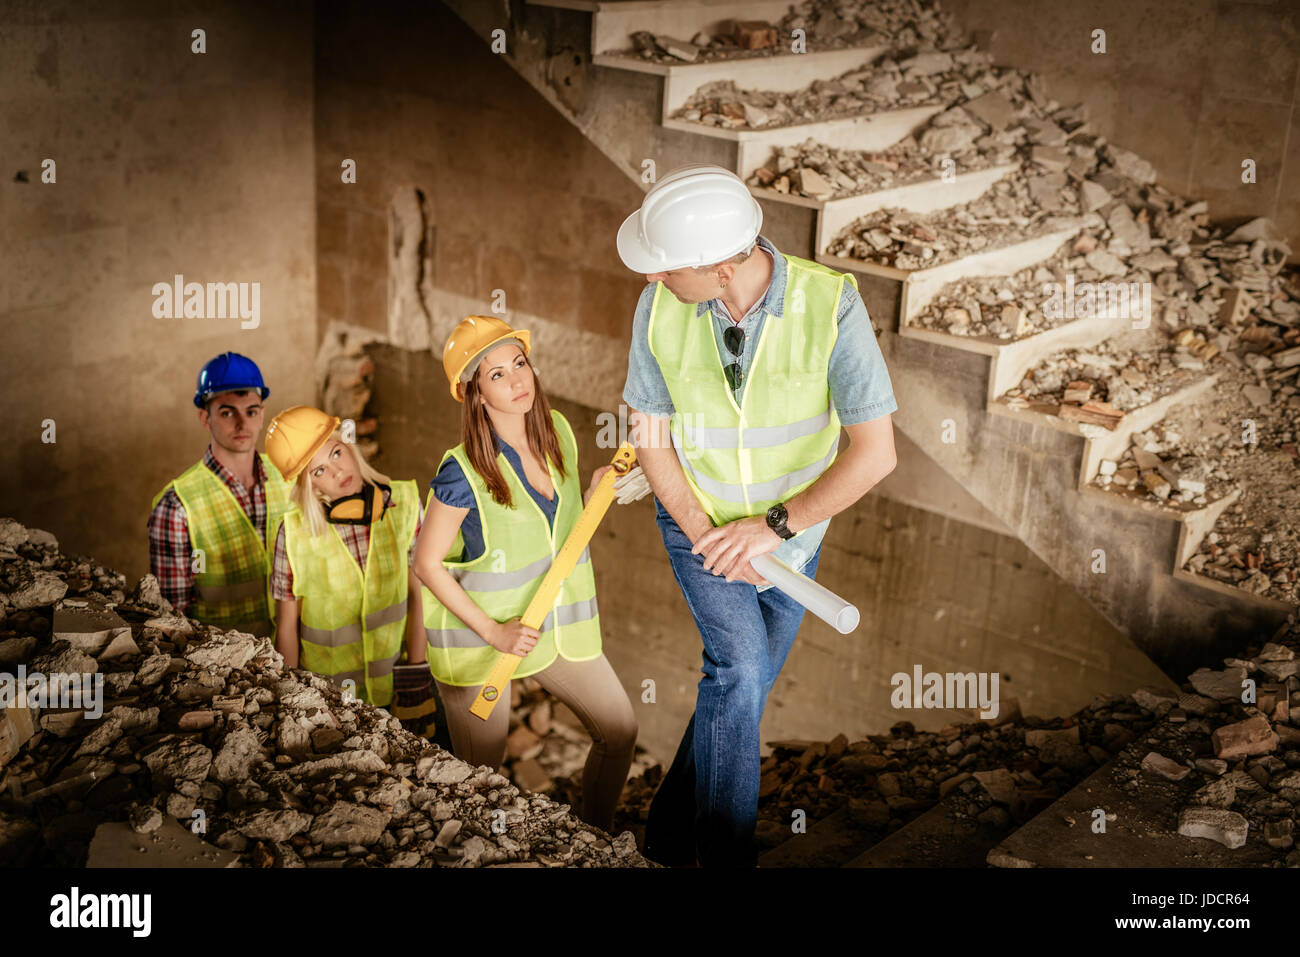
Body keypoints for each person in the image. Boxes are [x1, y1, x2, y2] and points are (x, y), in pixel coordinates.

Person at [616, 164, 900, 867]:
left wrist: (771, 529)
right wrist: (707, 532)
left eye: (665, 268)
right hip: (698, 523)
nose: (652, 280)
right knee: (738, 670)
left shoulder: (830, 305)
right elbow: (650, 436)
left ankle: (667, 833)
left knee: (741, 688)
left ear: (720, 269)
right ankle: (720, 856)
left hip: (791, 542)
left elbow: (875, 454)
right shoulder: (658, 310)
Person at [413, 315, 644, 833]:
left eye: (519, 363)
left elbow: (553, 533)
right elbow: (425, 564)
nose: (517, 380)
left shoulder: (557, 431)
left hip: (552, 628)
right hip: (482, 647)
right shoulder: (461, 472)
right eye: (496, 374)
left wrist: (592, 496)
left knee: (620, 730)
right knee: (481, 778)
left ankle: (594, 840)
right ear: (473, 393)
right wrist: (494, 631)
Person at [265, 405, 438, 717]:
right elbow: (286, 626)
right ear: (309, 486)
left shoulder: (406, 505)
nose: (336, 471)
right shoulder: (293, 533)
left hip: (394, 686)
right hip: (327, 698)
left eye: (335, 454)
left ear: (347, 446)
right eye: (317, 471)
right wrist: (290, 698)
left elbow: (420, 595)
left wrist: (417, 672)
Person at [149, 352, 291, 636]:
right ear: (205, 417)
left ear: (262, 415)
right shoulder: (177, 505)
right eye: (227, 413)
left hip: (295, 661)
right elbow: (174, 620)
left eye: (250, 411)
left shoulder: (290, 477)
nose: (242, 424)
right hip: (225, 668)